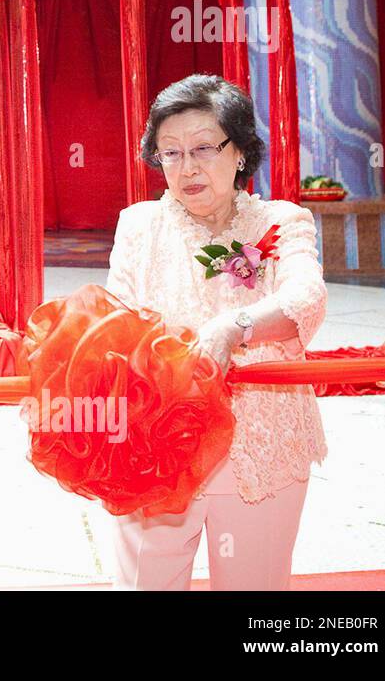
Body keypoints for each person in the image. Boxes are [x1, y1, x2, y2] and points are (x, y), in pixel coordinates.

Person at [105, 74, 327, 590]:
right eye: (171, 153)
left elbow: (306, 299)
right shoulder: (139, 225)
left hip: (263, 443)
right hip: (159, 442)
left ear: (241, 152)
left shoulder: (281, 221)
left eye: (204, 148)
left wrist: (234, 327)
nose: (188, 168)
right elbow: (117, 323)